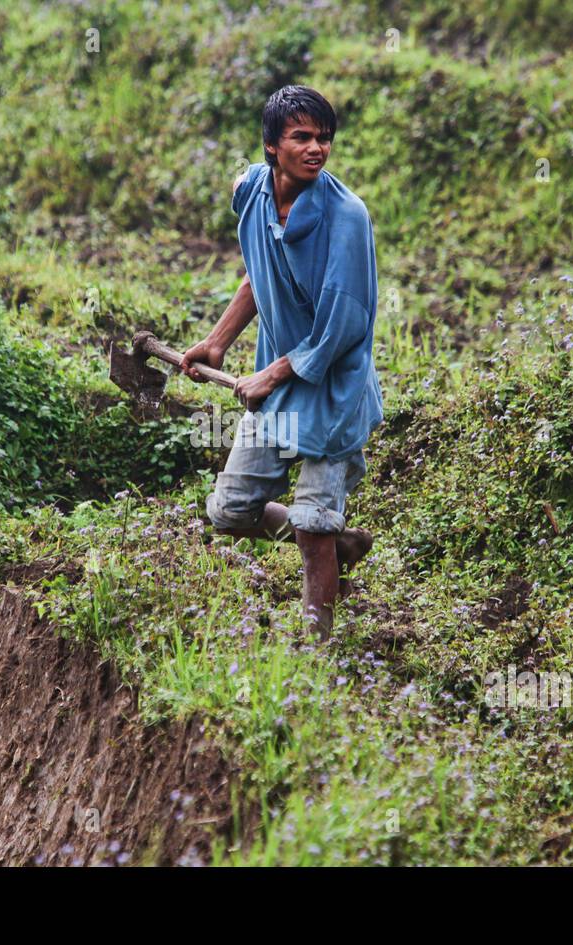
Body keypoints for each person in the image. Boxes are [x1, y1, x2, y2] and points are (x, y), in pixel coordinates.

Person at [181, 85, 382, 638]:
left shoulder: (346, 217)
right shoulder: (251, 193)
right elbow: (260, 274)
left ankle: (318, 651)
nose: (316, 148)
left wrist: (272, 372)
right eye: (302, 137)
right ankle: (342, 545)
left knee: (312, 525)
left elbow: (345, 325)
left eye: (324, 138)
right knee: (230, 511)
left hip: (333, 391)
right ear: (272, 145)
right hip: (281, 392)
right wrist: (217, 340)